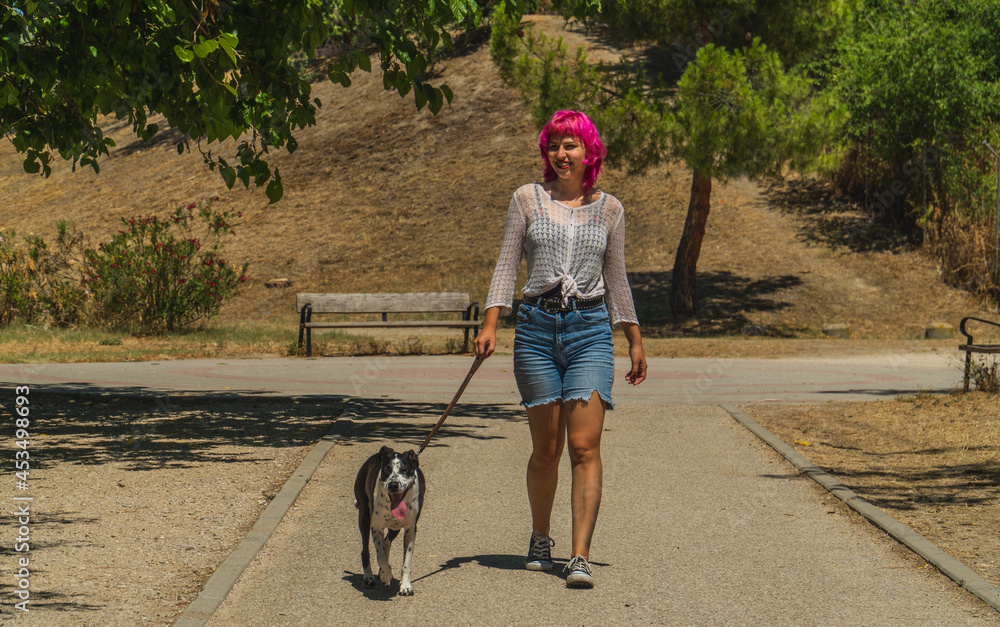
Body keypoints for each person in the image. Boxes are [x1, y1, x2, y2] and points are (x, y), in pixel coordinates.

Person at [473, 110, 647, 589]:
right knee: (545, 449)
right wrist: (491, 323)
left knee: (584, 445)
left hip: (590, 329)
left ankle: (579, 556)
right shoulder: (526, 199)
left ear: (589, 152)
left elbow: (617, 277)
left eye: (571, 144)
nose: (561, 153)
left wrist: (633, 339)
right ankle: (539, 536)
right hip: (535, 330)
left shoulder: (610, 209)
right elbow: (507, 265)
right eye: (554, 145)